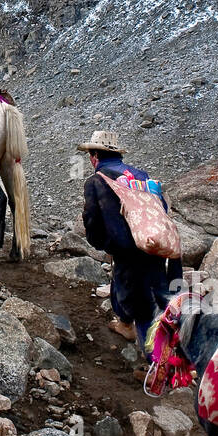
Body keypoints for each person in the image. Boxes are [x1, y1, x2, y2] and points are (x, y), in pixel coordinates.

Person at [78, 130, 182, 359]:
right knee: (138, 286)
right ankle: (125, 325)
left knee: (141, 305)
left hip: (127, 249)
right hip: (153, 243)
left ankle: (153, 364)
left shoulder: (96, 181)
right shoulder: (140, 175)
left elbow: (92, 219)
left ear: (94, 156)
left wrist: (101, 242)